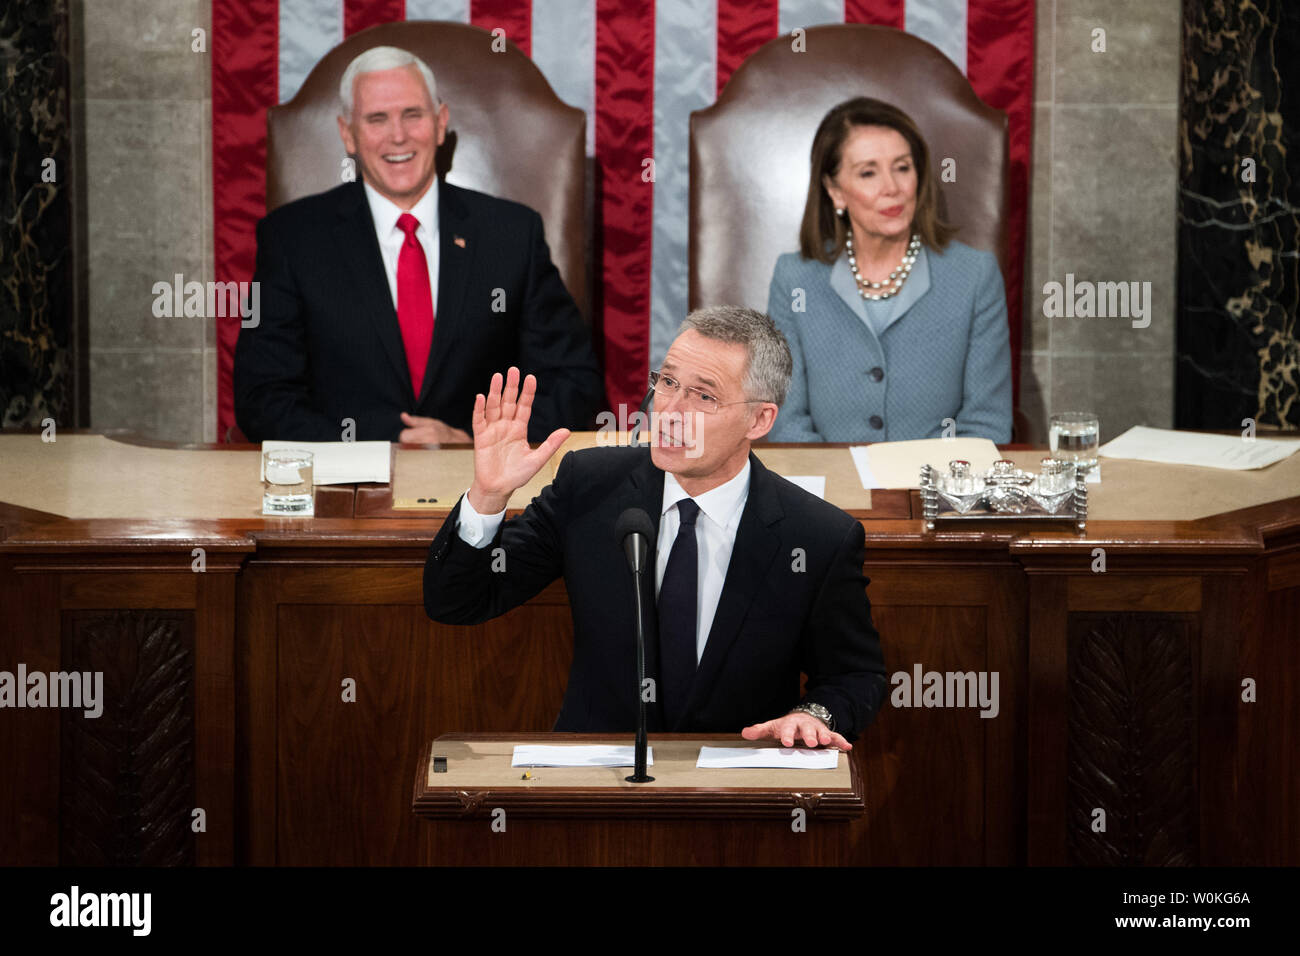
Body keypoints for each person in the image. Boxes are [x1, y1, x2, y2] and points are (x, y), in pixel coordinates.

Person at [423, 306, 887, 746]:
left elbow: (854, 675)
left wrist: (815, 715)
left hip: (735, 790)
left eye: (703, 395)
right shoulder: (590, 488)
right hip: (599, 780)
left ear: (759, 418)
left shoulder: (816, 535)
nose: (668, 411)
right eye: (667, 382)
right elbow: (457, 601)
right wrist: (488, 496)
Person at [233, 46, 604, 444]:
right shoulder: (293, 238)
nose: (398, 136)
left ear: (441, 123)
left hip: (483, 484)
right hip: (347, 492)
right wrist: (378, 446)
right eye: (377, 119)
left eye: (413, 114)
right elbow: (262, 397)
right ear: (348, 135)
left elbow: (576, 385)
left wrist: (474, 442)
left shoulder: (512, 234)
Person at [768, 97, 1012, 443]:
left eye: (902, 167)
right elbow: (787, 423)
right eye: (869, 172)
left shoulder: (975, 276)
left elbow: (987, 423)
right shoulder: (794, 279)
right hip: (829, 491)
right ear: (835, 191)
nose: (892, 188)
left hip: (937, 491)